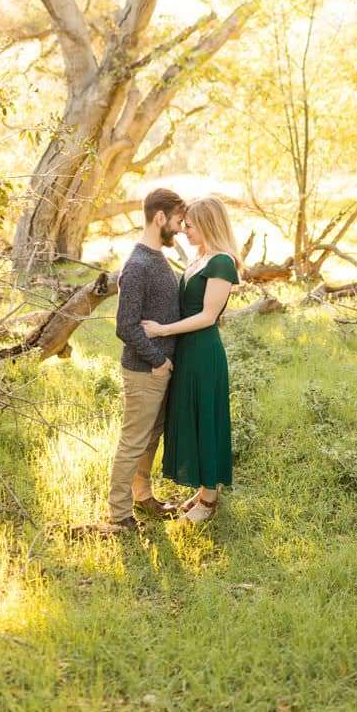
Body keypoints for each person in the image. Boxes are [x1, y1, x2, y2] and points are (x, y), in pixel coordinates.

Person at [88, 187, 185, 535]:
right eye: (177, 220)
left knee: (151, 436)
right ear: (160, 218)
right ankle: (119, 514)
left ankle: (143, 495)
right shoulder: (138, 264)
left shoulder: (159, 258)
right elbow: (125, 326)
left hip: (161, 370)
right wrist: (158, 360)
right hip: (145, 370)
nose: (180, 227)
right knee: (133, 441)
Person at [143, 194, 240, 525]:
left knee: (206, 420)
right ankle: (202, 490)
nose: (183, 230)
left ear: (209, 224)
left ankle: (210, 501)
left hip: (203, 352)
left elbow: (208, 316)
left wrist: (161, 329)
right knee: (192, 417)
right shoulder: (200, 257)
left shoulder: (222, 262)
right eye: (183, 224)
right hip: (186, 351)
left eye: (190, 225)